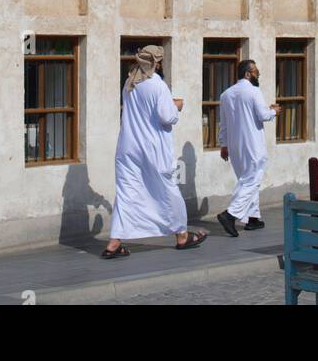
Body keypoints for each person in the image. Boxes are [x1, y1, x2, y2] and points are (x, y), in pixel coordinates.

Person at [103, 45, 207, 258]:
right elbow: (166, 117)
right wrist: (176, 106)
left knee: (126, 191)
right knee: (168, 188)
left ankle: (114, 242)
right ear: (156, 63)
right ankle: (181, 235)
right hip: (152, 148)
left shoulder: (129, 83)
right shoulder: (157, 85)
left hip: (127, 147)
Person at [216, 59, 281, 237]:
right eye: (255, 71)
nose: (258, 74)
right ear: (247, 74)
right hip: (253, 145)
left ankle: (253, 218)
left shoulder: (225, 94)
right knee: (252, 181)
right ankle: (230, 215)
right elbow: (262, 115)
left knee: (246, 181)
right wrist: (274, 111)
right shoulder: (253, 92)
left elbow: (223, 124)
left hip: (236, 147)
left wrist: (224, 145)